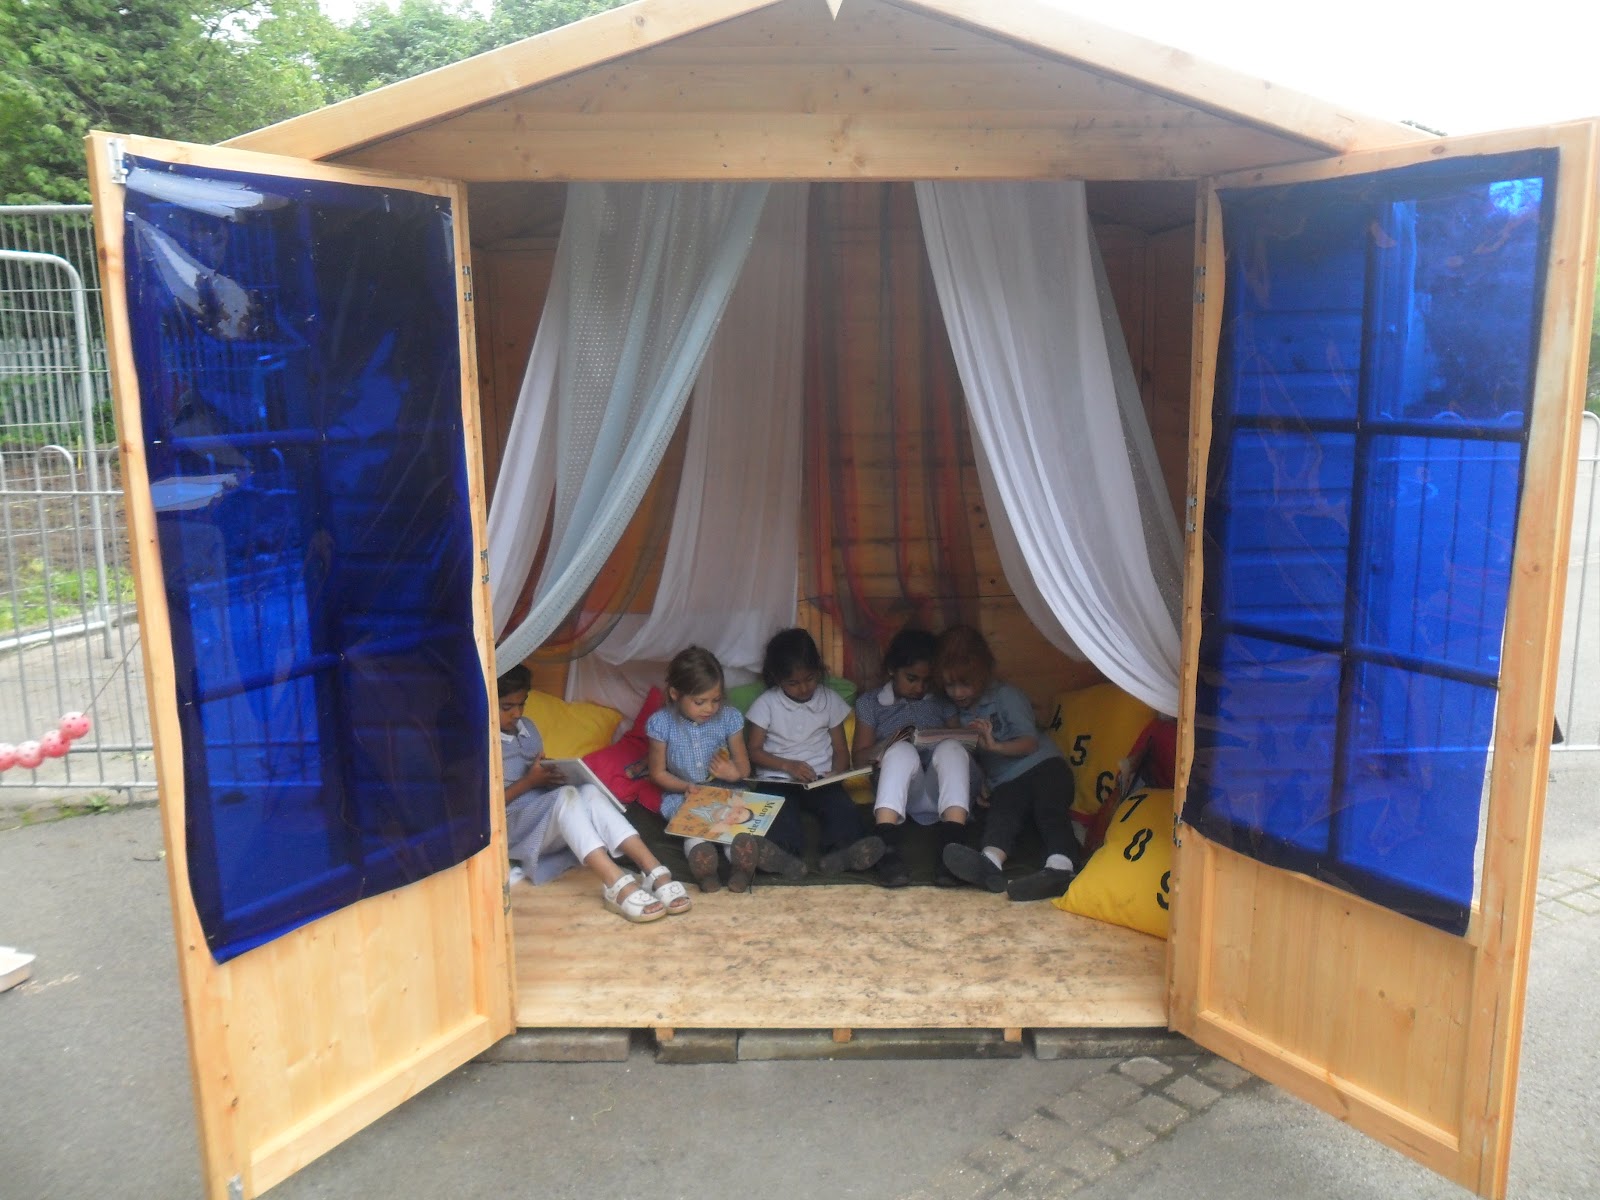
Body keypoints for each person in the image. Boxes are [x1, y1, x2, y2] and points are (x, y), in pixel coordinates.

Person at [497, 664, 691, 923]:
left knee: (588, 789)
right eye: (506, 707)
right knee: (566, 796)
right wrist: (530, 782)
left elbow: (537, 774)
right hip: (513, 827)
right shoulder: (480, 741)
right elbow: (481, 810)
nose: (517, 713)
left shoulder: (528, 728)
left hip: (546, 814)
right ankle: (616, 883)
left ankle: (654, 870)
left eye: (522, 704)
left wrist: (551, 773)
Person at [933, 626, 1081, 902]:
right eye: (950, 685)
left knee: (1050, 814)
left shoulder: (1006, 696)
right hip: (1006, 782)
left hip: (1044, 767)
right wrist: (983, 782)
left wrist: (995, 746)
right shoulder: (961, 714)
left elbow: (1029, 742)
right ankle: (989, 864)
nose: (957, 692)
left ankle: (1060, 868)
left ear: (983, 673)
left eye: (965, 683)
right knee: (1002, 817)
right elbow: (973, 756)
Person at [646, 646, 805, 893]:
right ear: (675, 694)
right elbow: (657, 773)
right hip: (687, 795)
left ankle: (742, 870)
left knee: (736, 832)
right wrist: (685, 786)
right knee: (695, 833)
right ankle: (705, 870)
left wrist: (733, 773)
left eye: (716, 700)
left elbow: (744, 765)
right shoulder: (660, 723)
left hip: (726, 791)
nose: (710, 708)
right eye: (700, 702)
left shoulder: (729, 718)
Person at [746, 628, 885, 876]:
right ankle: (782, 858)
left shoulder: (829, 700)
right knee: (779, 812)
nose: (803, 688)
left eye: (810, 679)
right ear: (777, 678)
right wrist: (788, 766)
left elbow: (840, 749)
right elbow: (754, 751)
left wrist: (836, 774)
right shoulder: (767, 703)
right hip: (777, 778)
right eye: (793, 683)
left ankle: (842, 854)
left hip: (821, 778)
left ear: (819, 670)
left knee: (842, 808)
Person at [851, 628, 973, 887]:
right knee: (901, 751)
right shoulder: (870, 703)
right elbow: (859, 760)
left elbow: (965, 745)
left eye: (926, 681)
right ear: (892, 670)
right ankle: (886, 847)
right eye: (912, 678)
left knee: (951, 747)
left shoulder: (941, 701)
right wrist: (887, 744)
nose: (919, 687)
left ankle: (953, 847)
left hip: (944, 791)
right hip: (903, 796)